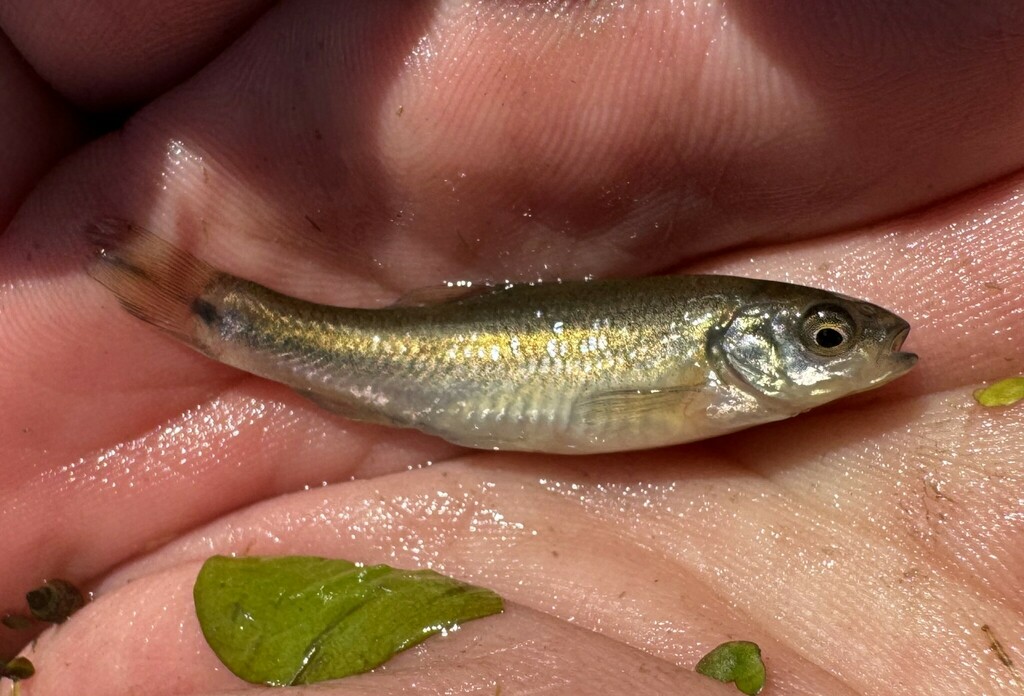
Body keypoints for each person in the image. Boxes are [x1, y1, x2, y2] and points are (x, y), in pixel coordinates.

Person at [1, 2, 1022, 693]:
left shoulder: (729, 377)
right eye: (827, 337)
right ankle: (212, 309)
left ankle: (210, 309)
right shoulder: (706, 364)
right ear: (738, 346)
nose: (855, 350)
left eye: (829, 334)